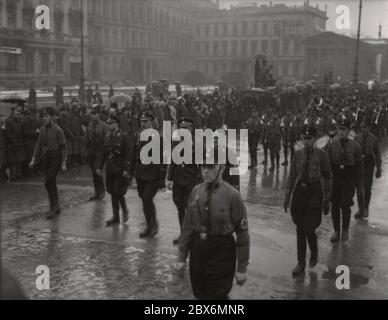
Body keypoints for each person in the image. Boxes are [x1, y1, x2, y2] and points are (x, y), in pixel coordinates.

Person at [177, 145, 250, 300]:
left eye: (211, 167)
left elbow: (242, 233)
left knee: (218, 295)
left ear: (221, 168)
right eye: (203, 166)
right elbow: (188, 227)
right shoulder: (196, 191)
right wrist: (182, 257)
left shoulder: (232, 195)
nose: (205, 171)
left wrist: (242, 268)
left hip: (222, 251)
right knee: (200, 293)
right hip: (199, 251)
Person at [284, 125, 332, 276]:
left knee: (309, 228)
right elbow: (291, 177)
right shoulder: (297, 155)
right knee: (300, 228)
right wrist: (287, 196)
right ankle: (301, 263)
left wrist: (327, 199)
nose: (306, 141)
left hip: (314, 192)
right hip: (300, 193)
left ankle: (314, 250)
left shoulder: (322, 155)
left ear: (315, 139)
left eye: (309, 139)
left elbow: (327, 177)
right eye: (304, 138)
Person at [326, 118, 364, 242]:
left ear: (348, 131)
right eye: (339, 129)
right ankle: (336, 231)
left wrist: (359, 185)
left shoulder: (355, 146)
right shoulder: (332, 145)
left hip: (349, 178)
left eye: (344, 129)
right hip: (336, 178)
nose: (341, 132)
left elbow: (359, 166)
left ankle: (345, 229)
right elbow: (328, 164)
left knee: (345, 204)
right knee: (335, 205)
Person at [129, 112, 167, 238]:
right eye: (142, 121)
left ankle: (153, 224)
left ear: (151, 122)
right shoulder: (137, 136)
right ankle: (149, 225)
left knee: (147, 198)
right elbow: (133, 155)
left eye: (146, 121)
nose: (143, 123)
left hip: (153, 174)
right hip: (140, 174)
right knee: (144, 200)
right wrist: (129, 171)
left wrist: (162, 179)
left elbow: (162, 159)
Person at [167, 117, 200, 245]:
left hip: (191, 180)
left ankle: (191, 234)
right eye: (181, 127)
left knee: (190, 208)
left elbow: (201, 165)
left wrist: (199, 182)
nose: (183, 130)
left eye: (186, 128)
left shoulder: (197, 142)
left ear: (191, 128)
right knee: (180, 207)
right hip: (178, 179)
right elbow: (173, 160)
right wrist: (169, 178)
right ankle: (183, 233)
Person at [29, 107, 67, 219]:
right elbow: (38, 145)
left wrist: (64, 161)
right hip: (46, 158)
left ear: (51, 117)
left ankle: (54, 207)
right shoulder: (43, 130)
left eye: (46, 116)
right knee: (50, 182)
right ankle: (55, 206)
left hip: (56, 157)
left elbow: (63, 147)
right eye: (42, 116)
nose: (44, 118)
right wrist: (33, 158)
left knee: (48, 180)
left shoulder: (58, 130)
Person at [96, 115, 132, 226]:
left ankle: (125, 210)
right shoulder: (107, 136)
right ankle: (115, 216)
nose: (109, 125)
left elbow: (128, 155)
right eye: (108, 123)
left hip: (120, 168)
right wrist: (99, 167)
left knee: (118, 191)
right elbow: (104, 153)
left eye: (111, 123)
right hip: (110, 168)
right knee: (112, 192)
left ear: (116, 123)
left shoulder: (123, 136)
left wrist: (127, 169)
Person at [354, 116, 382, 219]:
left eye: (365, 127)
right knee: (359, 188)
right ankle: (360, 208)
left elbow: (377, 153)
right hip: (359, 164)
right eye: (361, 127)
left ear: (369, 127)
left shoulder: (374, 139)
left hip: (369, 163)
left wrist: (379, 168)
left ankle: (366, 208)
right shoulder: (356, 138)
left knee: (367, 187)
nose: (363, 129)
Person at [84, 105, 107, 201]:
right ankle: (96, 191)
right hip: (91, 152)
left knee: (97, 170)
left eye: (94, 114)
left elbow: (106, 140)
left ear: (98, 114)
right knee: (93, 173)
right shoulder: (89, 125)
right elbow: (87, 140)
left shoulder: (104, 125)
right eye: (91, 114)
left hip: (100, 151)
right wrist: (85, 151)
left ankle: (102, 190)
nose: (92, 116)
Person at [5, 106, 26, 180]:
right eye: (16, 113)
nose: (18, 115)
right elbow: (8, 133)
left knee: (19, 159)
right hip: (12, 143)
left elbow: (22, 131)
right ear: (13, 113)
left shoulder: (20, 121)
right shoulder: (8, 121)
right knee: (13, 160)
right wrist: (13, 140)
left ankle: (18, 173)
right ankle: (13, 174)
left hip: (20, 142)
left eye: (19, 113)